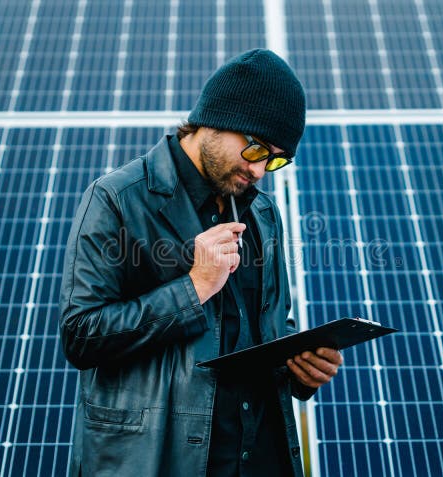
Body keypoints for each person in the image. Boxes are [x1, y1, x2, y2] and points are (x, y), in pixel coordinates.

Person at [59, 49, 343, 477]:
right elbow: (82, 336)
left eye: (277, 159)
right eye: (256, 149)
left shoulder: (261, 212)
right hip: (157, 460)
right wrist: (193, 289)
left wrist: (297, 367)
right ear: (214, 117)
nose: (262, 170)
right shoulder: (118, 199)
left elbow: (266, 324)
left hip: (257, 457)